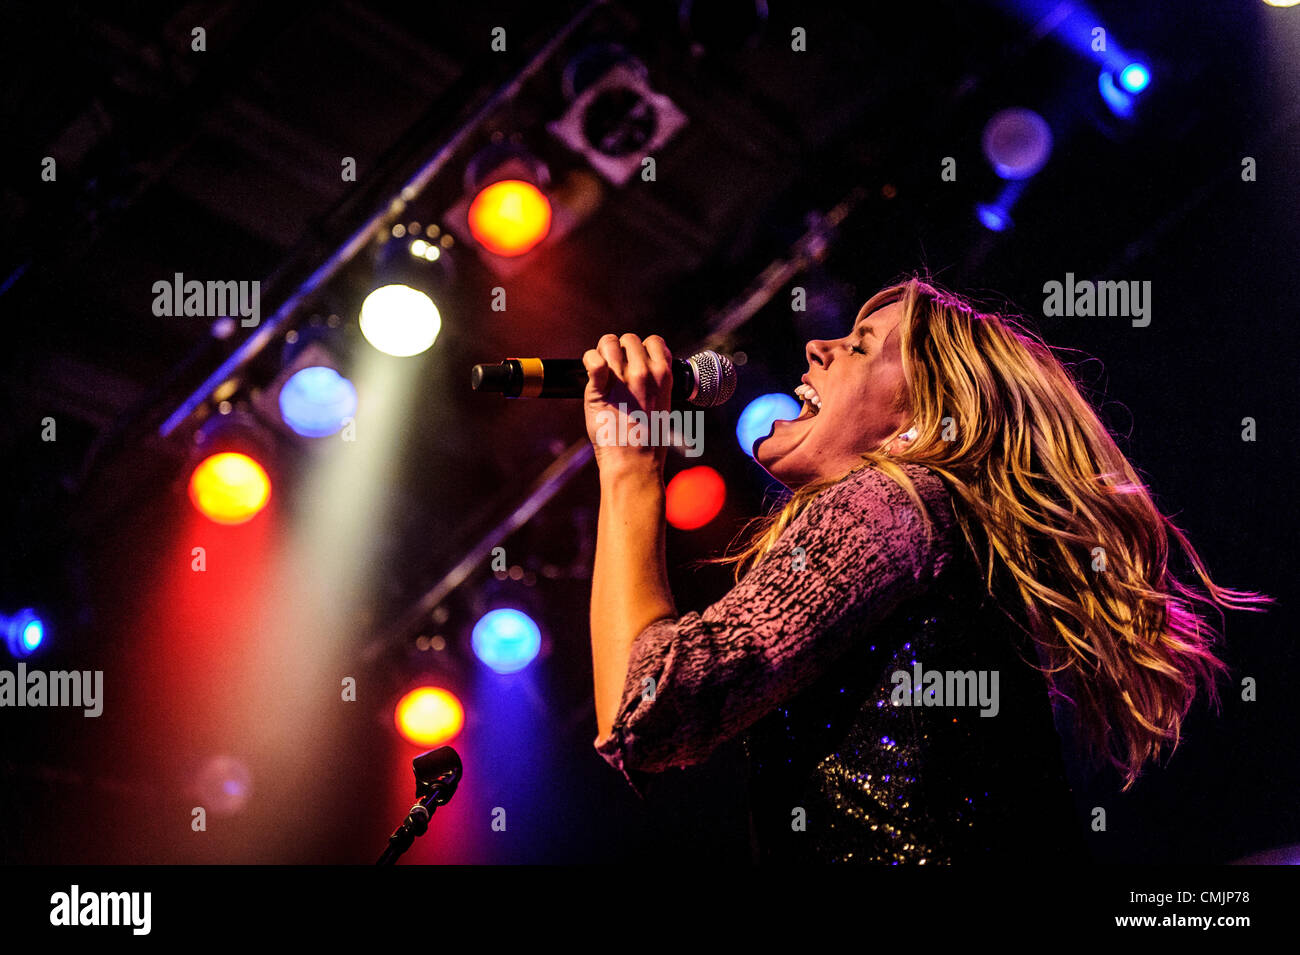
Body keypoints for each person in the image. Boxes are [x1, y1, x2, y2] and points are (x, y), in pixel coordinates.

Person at [581, 276, 1270, 863]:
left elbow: (650, 705)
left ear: (920, 425)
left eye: (859, 346)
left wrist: (631, 468)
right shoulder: (943, 533)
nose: (817, 348)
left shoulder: (891, 501)